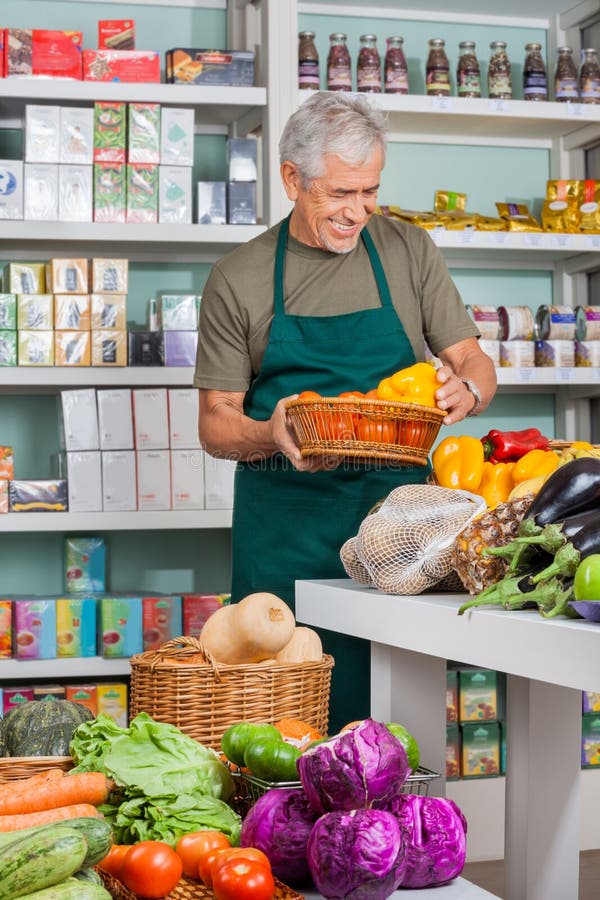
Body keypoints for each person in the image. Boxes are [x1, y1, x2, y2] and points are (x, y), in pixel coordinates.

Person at [194, 91, 496, 732]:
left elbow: (474, 361)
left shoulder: (407, 251)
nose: (358, 212)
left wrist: (466, 390)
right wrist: (269, 432)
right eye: (340, 194)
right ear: (291, 179)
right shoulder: (239, 276)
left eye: (369, 192)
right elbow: (215, 422)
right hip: (284, 531)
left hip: (399, 537)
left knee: (393, 727)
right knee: (277, 731)